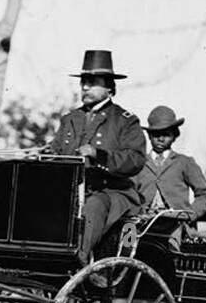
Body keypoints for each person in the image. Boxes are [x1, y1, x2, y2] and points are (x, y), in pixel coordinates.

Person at [45, 49, 146, 263]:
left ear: (110, 87)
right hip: (74, 192)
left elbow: (136, 159)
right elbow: (55, 150)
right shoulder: (70, 119)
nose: (85, 87)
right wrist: (48, 154)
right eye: (83, 82)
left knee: (95, 205)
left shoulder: (125, 121)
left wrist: (98, 155)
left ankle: (78, 260)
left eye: (93, 82)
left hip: (113, 193)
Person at [136, 105, 206, 250]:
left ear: (174, 135)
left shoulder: (184, 163)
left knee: (168, 252)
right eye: (156, 134)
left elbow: (205, 195)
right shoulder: (138, 163)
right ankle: (119, 267)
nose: (161, 138)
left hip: (175, 223)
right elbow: (129, 193)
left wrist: (188, 214)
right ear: (149, 136)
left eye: (166, 134)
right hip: (142, 222)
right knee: (125, 242)